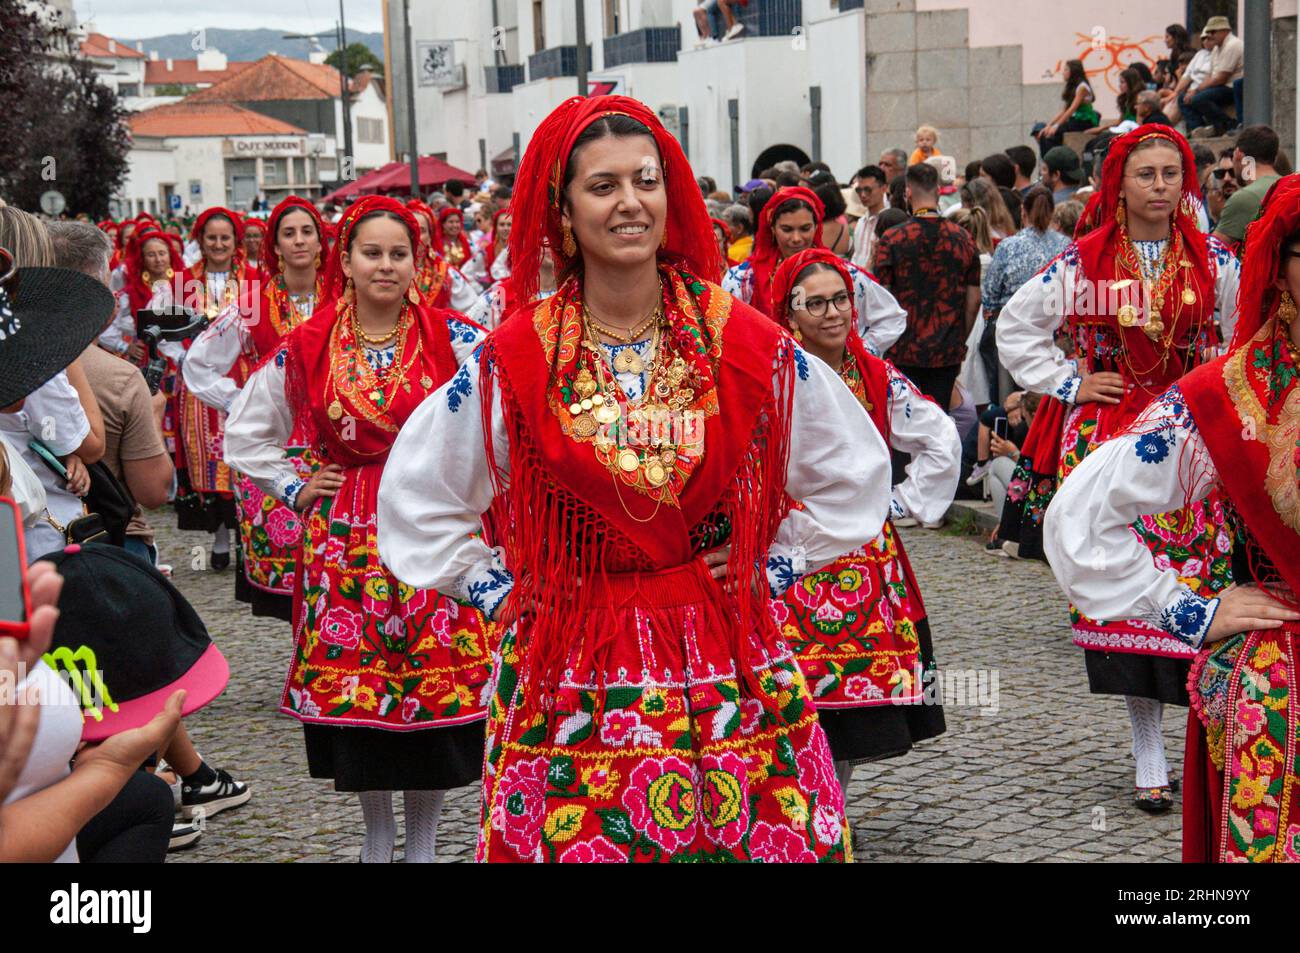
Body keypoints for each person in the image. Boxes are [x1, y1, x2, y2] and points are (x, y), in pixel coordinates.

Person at [375, 95, 892, 863]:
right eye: (603, 185)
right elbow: (419, 497)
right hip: (572, 647)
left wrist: (774, 559)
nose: (630, 203)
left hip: (721, 638)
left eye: (645, 180)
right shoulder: (517, 355)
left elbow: (854, 468)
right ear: (563, 210)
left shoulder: (739, 337)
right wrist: (495, 588)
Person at [224, 196, 493, 863]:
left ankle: (425, 847)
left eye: (398, 253)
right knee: (363, 693)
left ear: (416, 262)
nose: (386, 265)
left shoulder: (455, 338)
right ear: (343, 259)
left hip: (430, 527)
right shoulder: (309, 344)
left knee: (430, 691)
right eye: (371, 252)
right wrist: (291, 484)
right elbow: (247, 431)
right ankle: (378, 842)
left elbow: (502, 416)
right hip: (346, 535)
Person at [1043, 174, 1300, 861]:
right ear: (1280, 267)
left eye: (1169, 172)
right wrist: (1189, 611)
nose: (1158, 186)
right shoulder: (1224, 398)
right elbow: (1082, 515)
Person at [996, 126, 1241, 812]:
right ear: (1119, 184)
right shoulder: (1084, 261)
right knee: (1132, 599)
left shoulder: (1214, 259)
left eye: (1172, 173)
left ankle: (1212, 744)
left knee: (1199, 590)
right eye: (1146, 174)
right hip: (1112, 433)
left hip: (1191, 439)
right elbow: (1015, 326)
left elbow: (1243, 329)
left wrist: (1218, 389)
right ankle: (1148, 748)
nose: (1160, 185)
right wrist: (1071, 381)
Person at [766, 248, 956, 798]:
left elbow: (938, 437)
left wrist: (899, 503)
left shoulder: (875, 374)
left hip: (862, 561)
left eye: (841, 300)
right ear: (789, 313)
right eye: (816, 303)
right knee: (793, 688)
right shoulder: (771, 373)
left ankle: (834, 808)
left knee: (853, 699)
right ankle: (798, 804)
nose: (832, 313)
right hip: (793, 549)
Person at [183, 197, 328, 621]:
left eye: (307, 231)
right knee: (288, 582)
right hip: (275, 450)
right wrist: (240, 401)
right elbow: (200, 363)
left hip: (334, 446)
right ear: (275, 247)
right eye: (289, 233)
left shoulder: (345, 296)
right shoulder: (252, 302)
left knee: (338, 564)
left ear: (321, 242)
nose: (299, 240)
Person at [48, 222, 174, 568]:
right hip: (113, 540)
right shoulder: (119, 378)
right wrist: (153, 414)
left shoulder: (17, 357)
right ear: (97, 291)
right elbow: (153, 493)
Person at [722, 184, 907, 355]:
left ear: (816, 228)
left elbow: (891, 317)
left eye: (805, 228)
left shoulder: (842, 274)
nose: (796, 238)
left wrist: (860, 351)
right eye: (787, 229)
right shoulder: (744, 279)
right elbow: (727, 331)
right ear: (772, 229)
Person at [173, 208, 252, 569]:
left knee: (244, 461)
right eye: (212, 237)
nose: (218, 244)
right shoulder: (179, 282)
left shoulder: (255, 281)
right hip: (199, 390)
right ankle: (220, 537)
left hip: (244, 381)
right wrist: (186, 358)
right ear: (201, 240)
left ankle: (248, 538)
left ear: (236, 241)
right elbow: (163, 334)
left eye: (225, 238)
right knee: (211, 463)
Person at [875, 161, 982, 417]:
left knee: (904, 425)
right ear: (937, 191)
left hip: (901, 350)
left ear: (907, 193)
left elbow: (882, 299)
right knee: (939, 422)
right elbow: (973, 300)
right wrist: (959, 340)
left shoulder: (892, 239)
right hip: (946, 351)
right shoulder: (962, 238)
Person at [976, 187, 1069, 404]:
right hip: (1055, 331)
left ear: (1022, 211)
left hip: (1014, 332)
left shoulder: (1009, 246)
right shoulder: (1066, 245)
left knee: (1005, 396)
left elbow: (989, 295)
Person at [1213, 125, 1282, 248]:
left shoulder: (1245, 198)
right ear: (1275, 157)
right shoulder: (1292, 187)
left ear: (1238, 154)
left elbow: (1212, 253)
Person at [1182, 16, 1244, 138]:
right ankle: (1199, 127)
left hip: (1231, 86)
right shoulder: (1217, 48)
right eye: (1208, 32)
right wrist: (1194, 90)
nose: (1210, 35)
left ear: (1224, 30)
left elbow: (1221, 78)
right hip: (1221, 85)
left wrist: (1196, 90)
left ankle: (1228, 124)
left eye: (1213, 32)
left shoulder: (1233, 45)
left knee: (1198, 98)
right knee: (1183, 98)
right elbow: (1210, 75)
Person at [1035, 59, 1099, 156]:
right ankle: (1047, 163)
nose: (1063, 73)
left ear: (1073, 72)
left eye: (1066, 70)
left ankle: (1053, 162)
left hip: (1084, 121)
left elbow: (1071, 109)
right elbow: (1064, 110)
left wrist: (1056, 126)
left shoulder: (1082, 87)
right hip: (1075, 120)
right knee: (1045, 134)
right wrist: (1050, 125)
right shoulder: (1072, 87)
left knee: (1052, 135)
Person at [1168, 29, 1215, 126]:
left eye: (1209, 38)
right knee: (1174, 99)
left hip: (1206, 87)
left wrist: (1195, 90)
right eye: (1203, 39)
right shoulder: (1200, 54)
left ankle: (1164, 130)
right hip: (1192, 88)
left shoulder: (1218, 53)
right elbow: (1187, 75)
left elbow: (1212, 76)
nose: (1205, 41)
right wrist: (1175, 93)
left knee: (1180, 101)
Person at [850, 165, 889, 270]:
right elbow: (856, 256)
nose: (863, 195)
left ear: (884, 188)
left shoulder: (890, 220)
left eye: (868, 190)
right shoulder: (861, 222)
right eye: (859, 190)